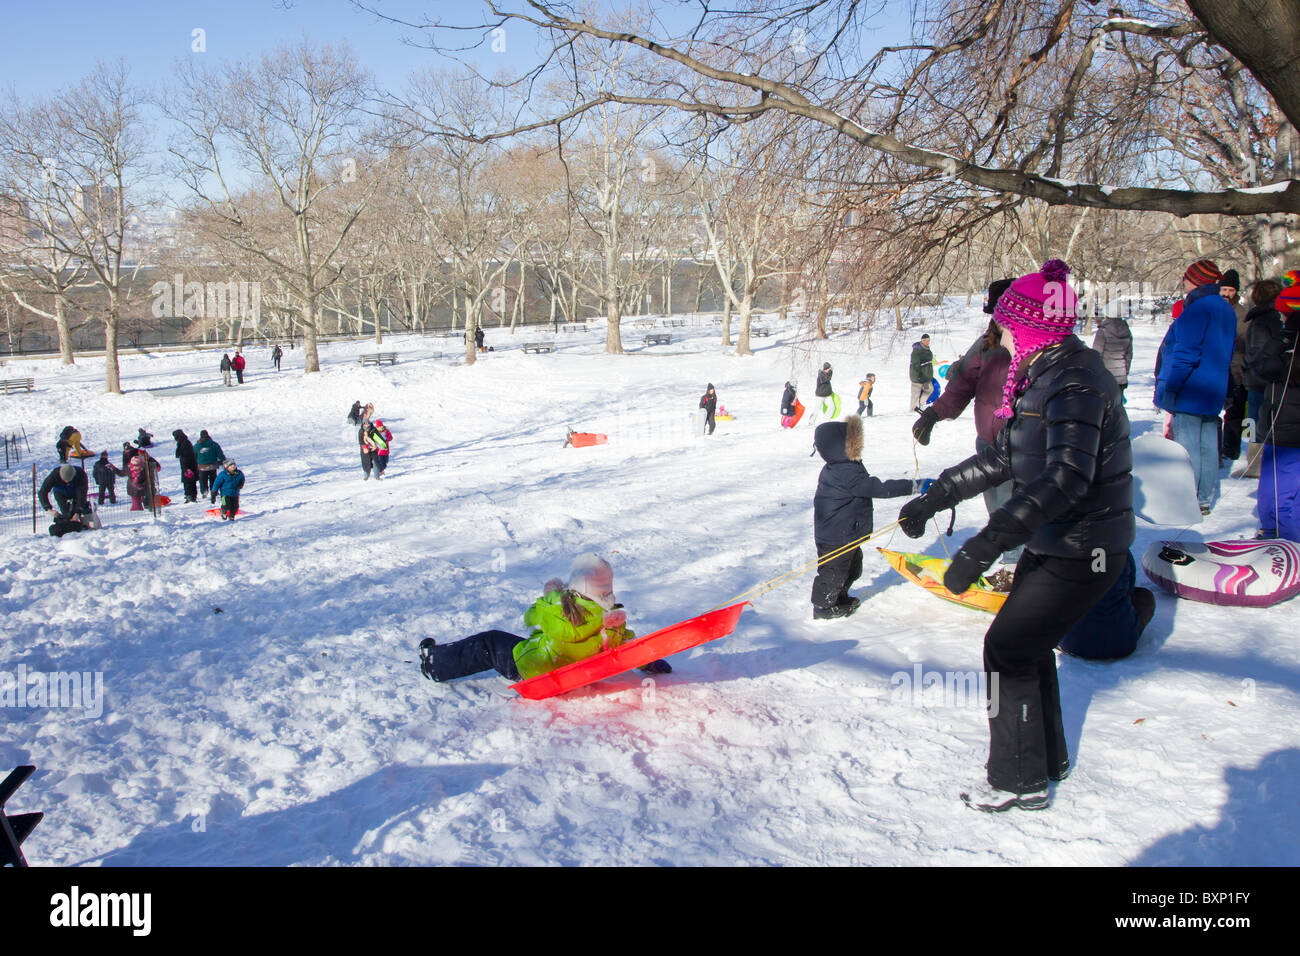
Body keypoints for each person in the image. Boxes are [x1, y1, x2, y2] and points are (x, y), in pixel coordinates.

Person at [897, 259, 1134, 812]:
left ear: (1029, 324)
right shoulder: (1046, 369)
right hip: (1058, 541)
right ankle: (1045, 762)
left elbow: (1067, 477)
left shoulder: (1075, 380)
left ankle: (1015, 780)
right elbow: (1007, 455)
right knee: (1024, 648)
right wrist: (937, 495)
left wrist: (987, 543)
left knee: (1007, 648)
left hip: (1085, 546)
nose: (998, 331)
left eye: (1005, 322)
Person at [417, 554, 670, 683]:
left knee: (490, 642)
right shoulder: (610, 619)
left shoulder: (556, 608)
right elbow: (626, 644)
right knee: (523, 641)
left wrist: (550, 595)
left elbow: (530, 616)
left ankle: (434, 664)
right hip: (572, 665)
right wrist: (650, 662)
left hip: (537, 668)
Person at [912, 278, 1020, 566]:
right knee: (996, 506)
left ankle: (1017, 565)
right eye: (995, 316)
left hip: (1019, 443)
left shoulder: (1030, 348)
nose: (997, 322)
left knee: (1015, 507)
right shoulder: (987, 344)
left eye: (1001, 315)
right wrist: (934, 414)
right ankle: (1011, 561)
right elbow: (963, 383)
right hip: (987, 442)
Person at [812, 415, 926, 620]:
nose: (857, 446)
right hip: (836, 537)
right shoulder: (844, 471)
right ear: (840, 447)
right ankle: (823, 607)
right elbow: (878, 488)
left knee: (852, 567)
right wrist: (915, 485)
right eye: (852, 442)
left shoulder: (842, 465)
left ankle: (838, 596)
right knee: (832, 572)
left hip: (844, 533)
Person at [1154, 259, 1237, 515]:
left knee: (1188, 447)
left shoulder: (1197, 309)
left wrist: (1172, 386)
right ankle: (1203, 498)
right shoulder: (1226, 309)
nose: (1184, 281)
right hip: (1214, 386)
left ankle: (1187, 498)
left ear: (1196, 280)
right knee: (1208, 445)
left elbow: (1185, 353)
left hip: (1191, 386)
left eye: (1187, 277)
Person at [1248, 280, 1300, 539]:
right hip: (1284, 423)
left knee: (1277, 494)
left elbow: (1262, 369)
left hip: (1286, 429)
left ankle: (1279, 540)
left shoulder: (1284, 339)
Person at [1057, 553, 1155, 660]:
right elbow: (1129, 590)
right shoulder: (1122, 550)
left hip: (1070, 642)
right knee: (1144, 597)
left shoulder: (1060, 549)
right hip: (1121, 643)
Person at [1238, 279, 1283, 480]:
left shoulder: (1263, 319)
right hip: (1271, 378)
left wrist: (1246, 368)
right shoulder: (1279, 317)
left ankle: (1256, 465)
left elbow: (1257, 351)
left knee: (1255, 421)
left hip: (1259, 378)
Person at [1219, 269, 1249, 464]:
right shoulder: (1213, 309)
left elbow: (1246, 343)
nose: (1226, 293)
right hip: (1215, 369)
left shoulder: (1243, 315)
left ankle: (1231, 449)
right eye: (1224, 289)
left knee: (1234, 413)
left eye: (1230, 290)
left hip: (1236, 369)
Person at [1091, 307, 1134, 398]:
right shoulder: (1126, 330)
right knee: (1117, 407)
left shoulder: (1103, 331)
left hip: (1105, 376)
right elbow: (1129, 355)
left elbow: (1096, 355)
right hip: (1121, 377)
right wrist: (1125, 372)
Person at [194, 430, 225, 503]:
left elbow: (194, 456)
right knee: (213, 479)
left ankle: (204, 492)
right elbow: (220, 454)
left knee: (203, 480)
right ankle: (214, 491)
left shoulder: (197, 446)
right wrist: (223, 461)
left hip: (202, 466)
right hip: (213, 465)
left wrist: (195, 464)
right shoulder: (214, 444)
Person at [173, 429, 200, 503]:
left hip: (188, 466)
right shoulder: (183, 442)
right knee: (188, 482)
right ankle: (189, 495)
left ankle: (191, 496)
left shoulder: (185, 443)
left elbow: (186, 456)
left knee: (189, 482)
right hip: (186, 466)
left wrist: (187, 468)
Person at [909, 334, 934, 412]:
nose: (928, 342)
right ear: (922, 341)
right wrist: (918, 375)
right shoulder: (917, 350)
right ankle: (913, 410)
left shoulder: (927, 349)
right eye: (926, 340)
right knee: (915, 394)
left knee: (930, 389)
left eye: (928, 340)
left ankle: (921, 405)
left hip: (926, 376)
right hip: (918, 376)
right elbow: (915, 364)